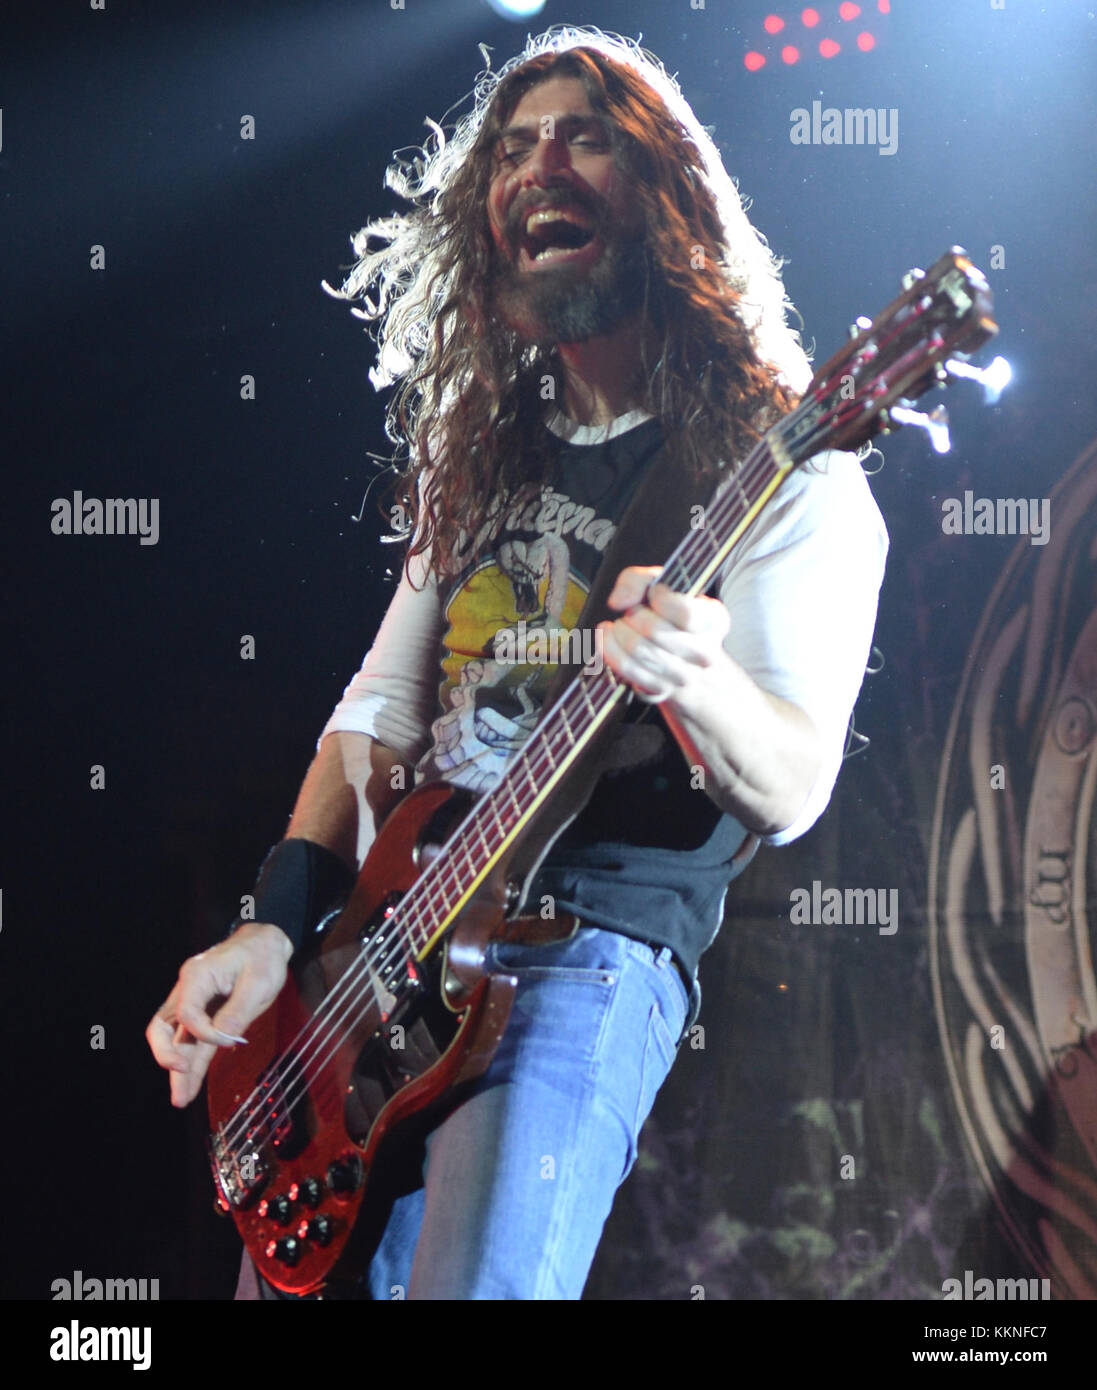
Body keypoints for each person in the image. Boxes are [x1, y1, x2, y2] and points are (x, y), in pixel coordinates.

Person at [146, 27, 888, 1299]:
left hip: (580, 954)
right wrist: (273, 930)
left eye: (584, 135)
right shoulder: (483, 464)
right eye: (513, 145)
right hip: (377, 967)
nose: (539, 163)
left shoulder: (787, 479)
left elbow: (793, 784)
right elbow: (376, 716)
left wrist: (694, 674)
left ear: (666, 194)